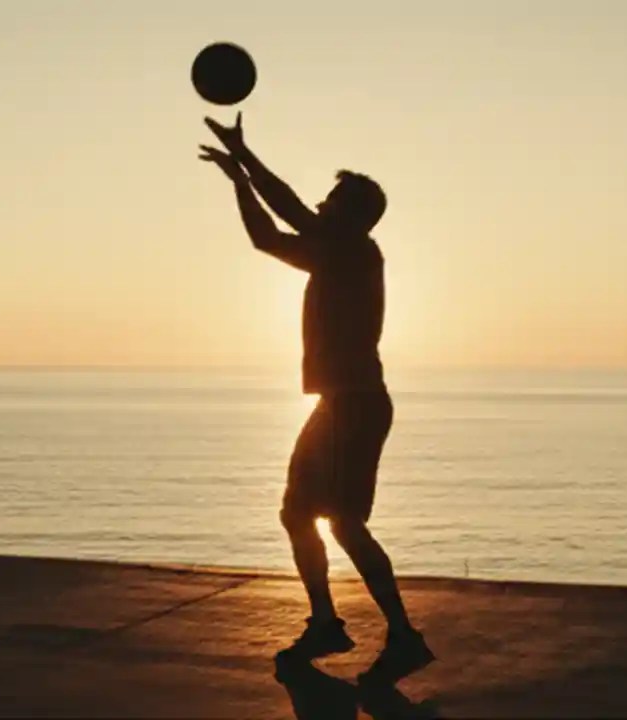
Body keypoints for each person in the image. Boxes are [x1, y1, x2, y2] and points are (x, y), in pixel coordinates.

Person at [199, 113, 434, 680]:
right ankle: (328, 622)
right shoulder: (334, 255)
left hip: (354, 407)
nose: (321, 208)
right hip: (337, 405)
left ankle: (402, 636)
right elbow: (266, 237)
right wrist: (238, 182)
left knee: (345, 522)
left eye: (330, 203)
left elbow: (290, 211)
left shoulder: (354, 253)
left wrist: (246, 158)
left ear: (350, 215)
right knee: (298, 512)